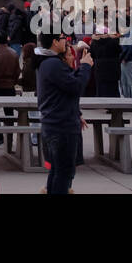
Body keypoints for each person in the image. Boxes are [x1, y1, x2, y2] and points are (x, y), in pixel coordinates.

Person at [35, 32, 93, 194]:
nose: (66, 42)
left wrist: (76, 112)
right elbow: (75, 87)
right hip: (61, 126)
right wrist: (86, 66)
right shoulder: (52, 63)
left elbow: (63, 92)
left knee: (57, 170)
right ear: (54, 42)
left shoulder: (47, 62)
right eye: (63, 39)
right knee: (64, 173)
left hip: (55, 123)